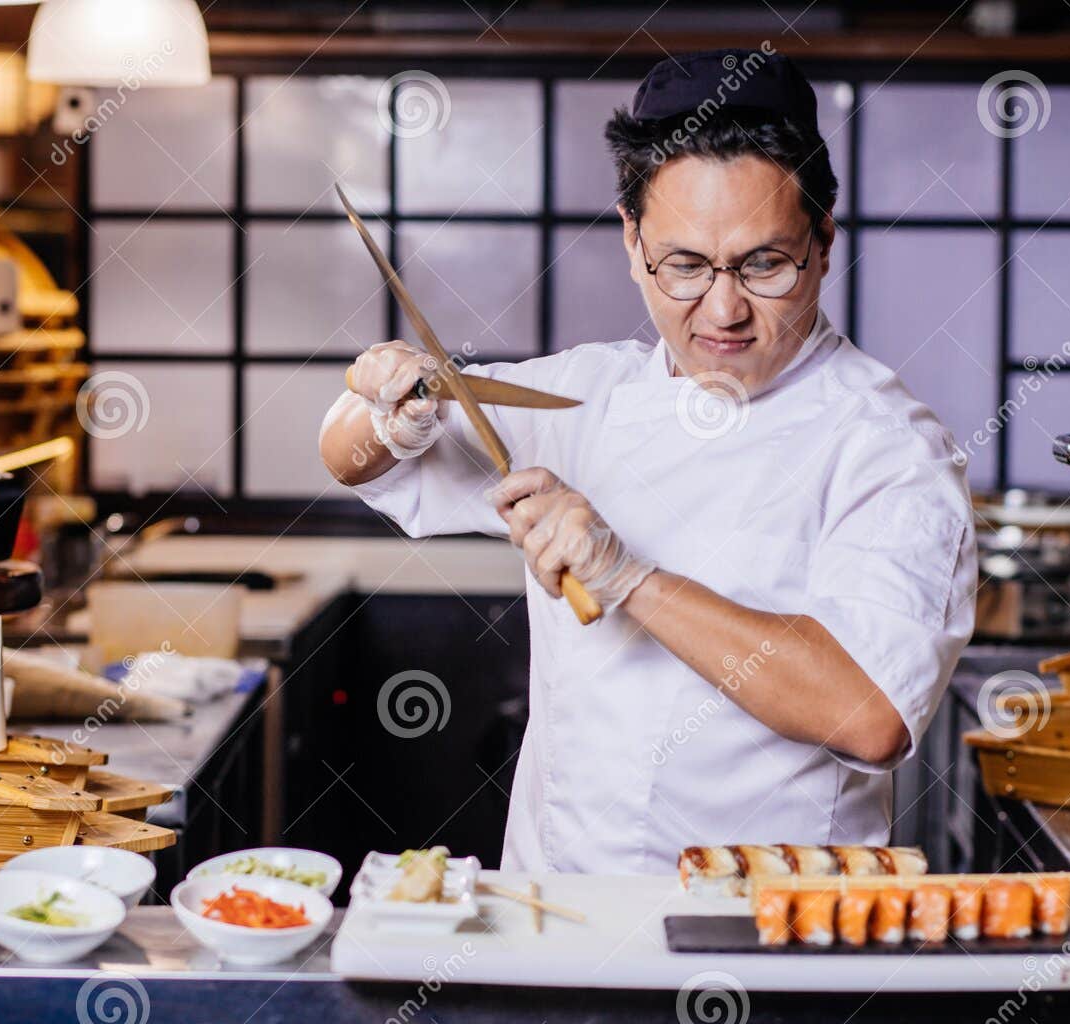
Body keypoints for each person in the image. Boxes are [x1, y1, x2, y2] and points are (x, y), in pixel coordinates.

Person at [320, 49, 975, 874]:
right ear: (633, 243)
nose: (726, 307)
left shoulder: (887, 445)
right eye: (686, 266)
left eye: (765, 263)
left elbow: (868, 711)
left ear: (823, 239)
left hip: (765, 933)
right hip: (560, 913)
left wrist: (629, 577)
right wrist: (387, 405)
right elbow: (353, 461)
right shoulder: (583, 397)